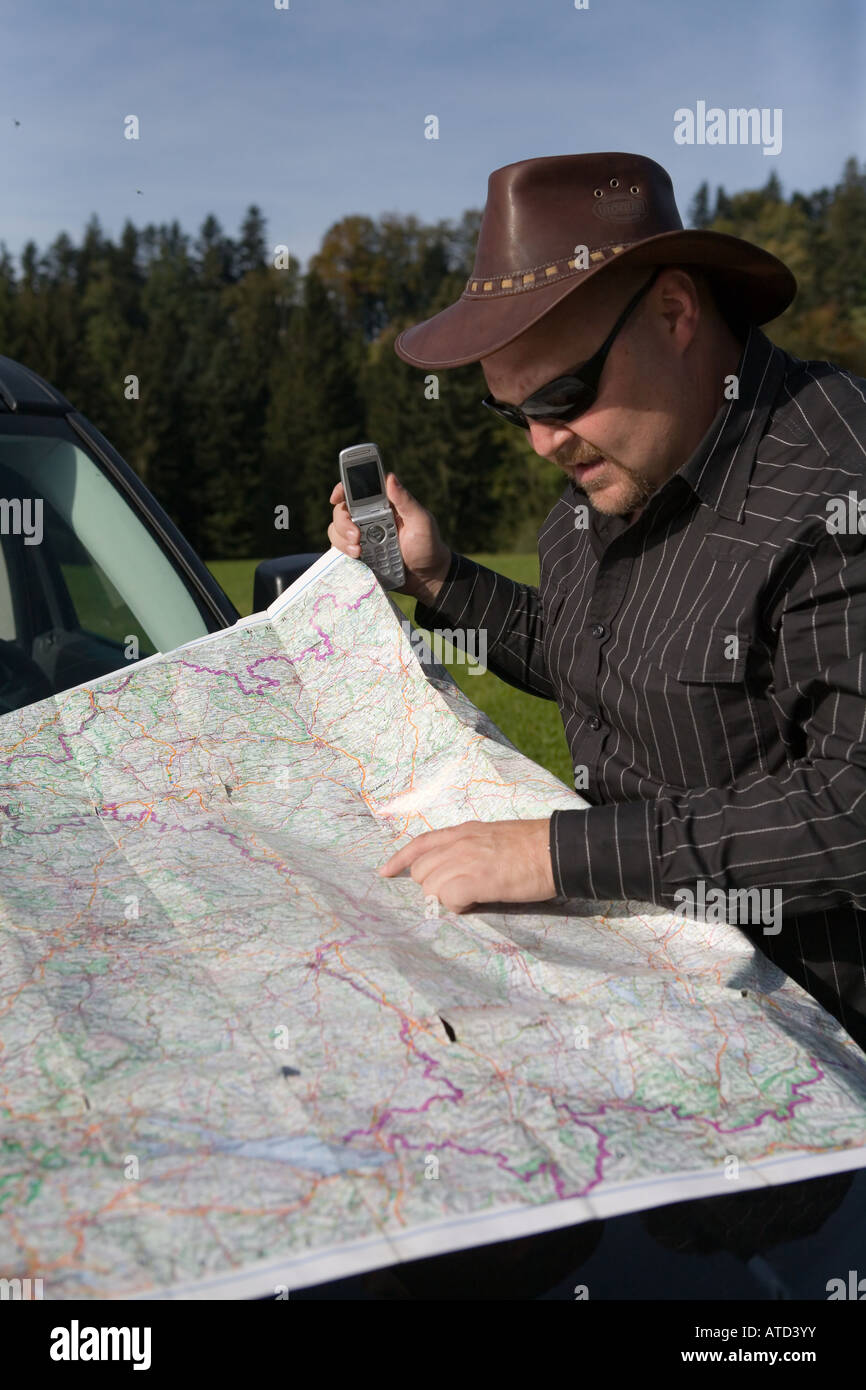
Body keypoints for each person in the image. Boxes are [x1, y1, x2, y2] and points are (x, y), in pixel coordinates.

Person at [328, 151, 866, 1053]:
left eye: (564, 394)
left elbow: (851, 804)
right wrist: (439, 579)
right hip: (657, 1007)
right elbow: (608, 663)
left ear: (674, 312)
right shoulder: (614, 475)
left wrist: (552, 855)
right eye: (515, 413)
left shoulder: (836, 484)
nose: (543, 442)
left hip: (817, 1057)